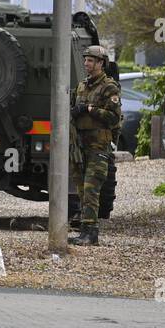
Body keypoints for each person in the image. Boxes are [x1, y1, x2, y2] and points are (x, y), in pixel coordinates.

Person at [68, 44, 122, 247]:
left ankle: (91, 233)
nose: (86, 64)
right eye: (85, 60)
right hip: (80, 146)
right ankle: (85, 231)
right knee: (82, 189)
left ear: (101, 63)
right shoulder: (82, 86)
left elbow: (113, 118)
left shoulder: (109, 87)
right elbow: (73, 110)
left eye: (90, 60)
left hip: (98, 147)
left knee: (91, 189)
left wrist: (90, 109)